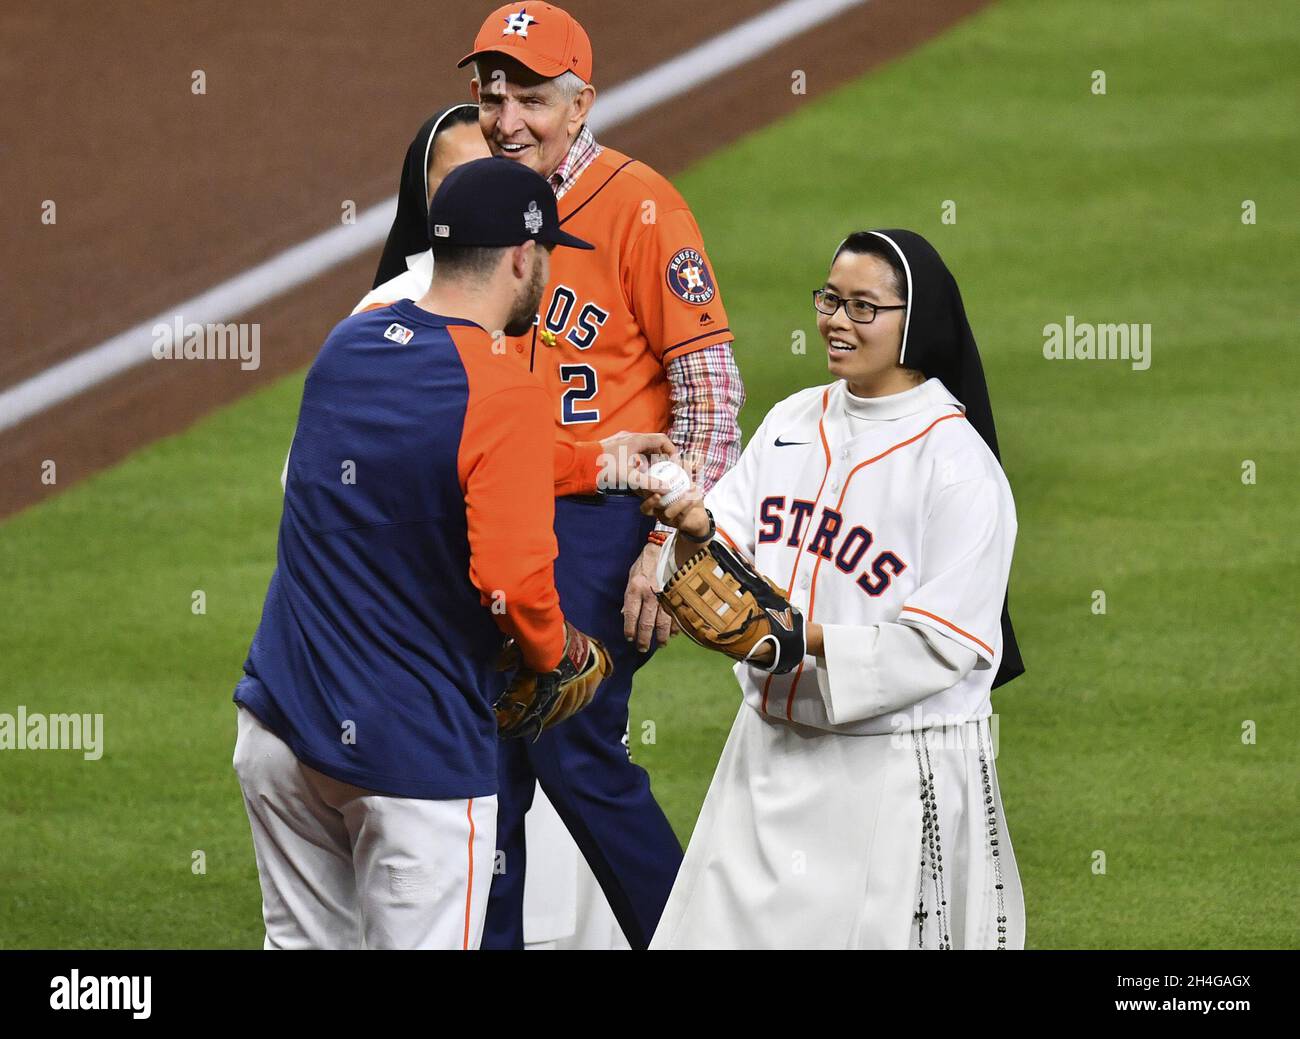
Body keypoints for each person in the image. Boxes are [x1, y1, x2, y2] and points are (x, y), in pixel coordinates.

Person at [231, 157, 622, 950]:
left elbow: (447, 450)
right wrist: (558, 653)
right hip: (411, 759)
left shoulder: (351, 344)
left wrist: (601, 461)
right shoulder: (502, 388)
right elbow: (513, 584)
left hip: (279, 730)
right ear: (522, 256)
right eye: (546, 253)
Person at [641, 229, 1027, 949]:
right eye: (829, 299)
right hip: (763, 760)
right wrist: (694, 532)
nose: (836, 321)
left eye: (862, 306)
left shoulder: (957, 466)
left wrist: (804, 638)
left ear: (915, 320)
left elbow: (946, 644)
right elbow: (723, 560)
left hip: (890, 777)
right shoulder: (792, 422)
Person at [456, 2, 747, 950]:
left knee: (571, 739)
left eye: (532, 98)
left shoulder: (642, 204)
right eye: (492, 94)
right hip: (494, 518)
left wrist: (667, 545)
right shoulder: (474, 204)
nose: (507, 118)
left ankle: (682, 937)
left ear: (581, 103)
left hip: (601, 525)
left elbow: (710, 396)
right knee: (485, 757)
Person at [355, 104, 488, 314]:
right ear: (423, 192)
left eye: (493, 174)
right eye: (457, 179)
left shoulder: (544, 282)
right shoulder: (381, 313)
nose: (478, 193)